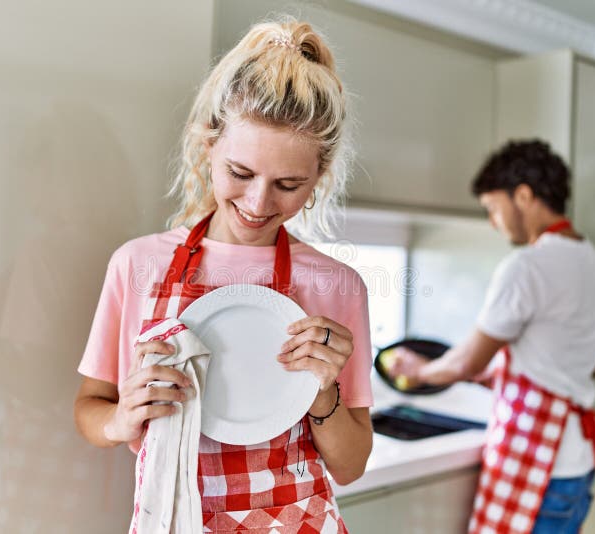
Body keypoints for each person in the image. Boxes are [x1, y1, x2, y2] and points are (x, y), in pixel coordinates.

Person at [73, 18, 373, 533]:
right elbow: (89, 409)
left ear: (319, 178)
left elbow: (349, 465)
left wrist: (323, 391)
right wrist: (122, 419)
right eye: (240, 173)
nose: (259, 203)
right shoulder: (137, 265)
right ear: (207, 144)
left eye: (289, 183)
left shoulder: (335, 285)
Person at [389, 140, 595, 534]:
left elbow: (465, 362)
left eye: (493, 209)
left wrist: (419, 370)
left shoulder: (528, 266)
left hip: (540, 463)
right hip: (577, 465)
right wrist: (523, 372)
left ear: (524, 196)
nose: (494, 222)